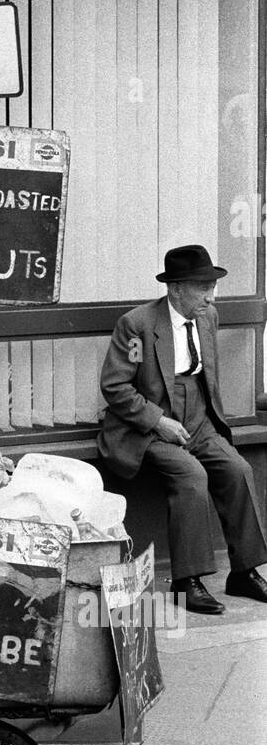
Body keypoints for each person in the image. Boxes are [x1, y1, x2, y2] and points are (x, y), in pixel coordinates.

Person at [98, 244, 267, 615]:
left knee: (238, 469)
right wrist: (158, 420)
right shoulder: (138, 325)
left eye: (212, 286)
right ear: (175, 288)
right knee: (191, 475)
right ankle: (186, 583)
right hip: (146, 425)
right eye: (202, 287)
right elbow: (116, 387)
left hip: (198, 418)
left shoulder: (208, 317)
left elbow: (205, 379)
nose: (210, 295)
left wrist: (203, 421)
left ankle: (243, 571)